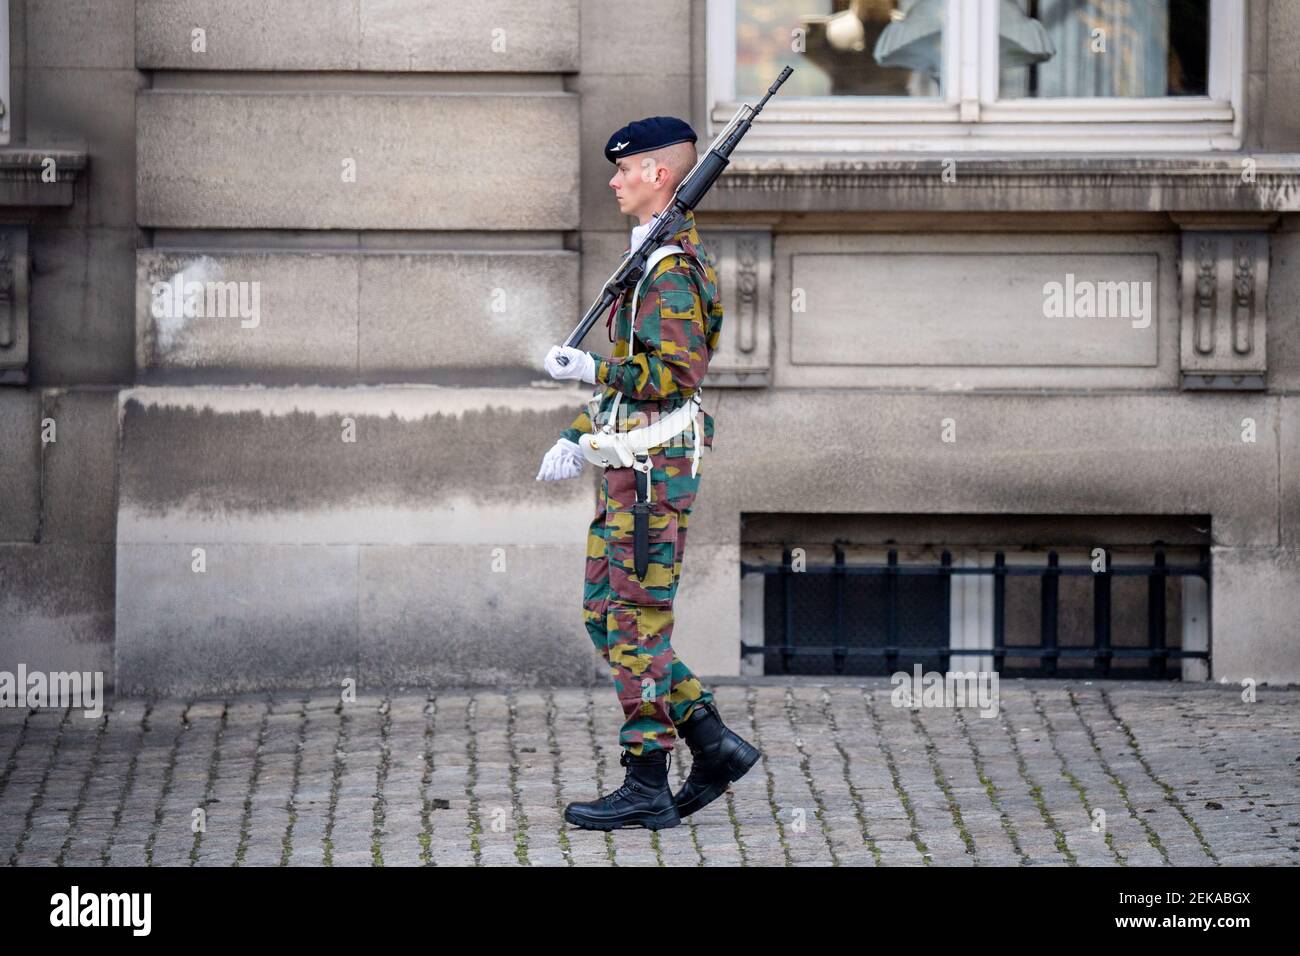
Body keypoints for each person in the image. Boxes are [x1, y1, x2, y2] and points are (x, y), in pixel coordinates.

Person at [537, 116, 761, 831]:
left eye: (624, 168)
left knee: (636, 623)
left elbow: (672, 373)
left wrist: (593, 366)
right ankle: (711, 741)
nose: (613, 180)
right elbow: (622, 390)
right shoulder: (649, 258)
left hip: (655, 476)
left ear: (659, 175)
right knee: (607, 617)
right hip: (629, 467)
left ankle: (647, 781)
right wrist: (576, 436)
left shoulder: (670, 270)